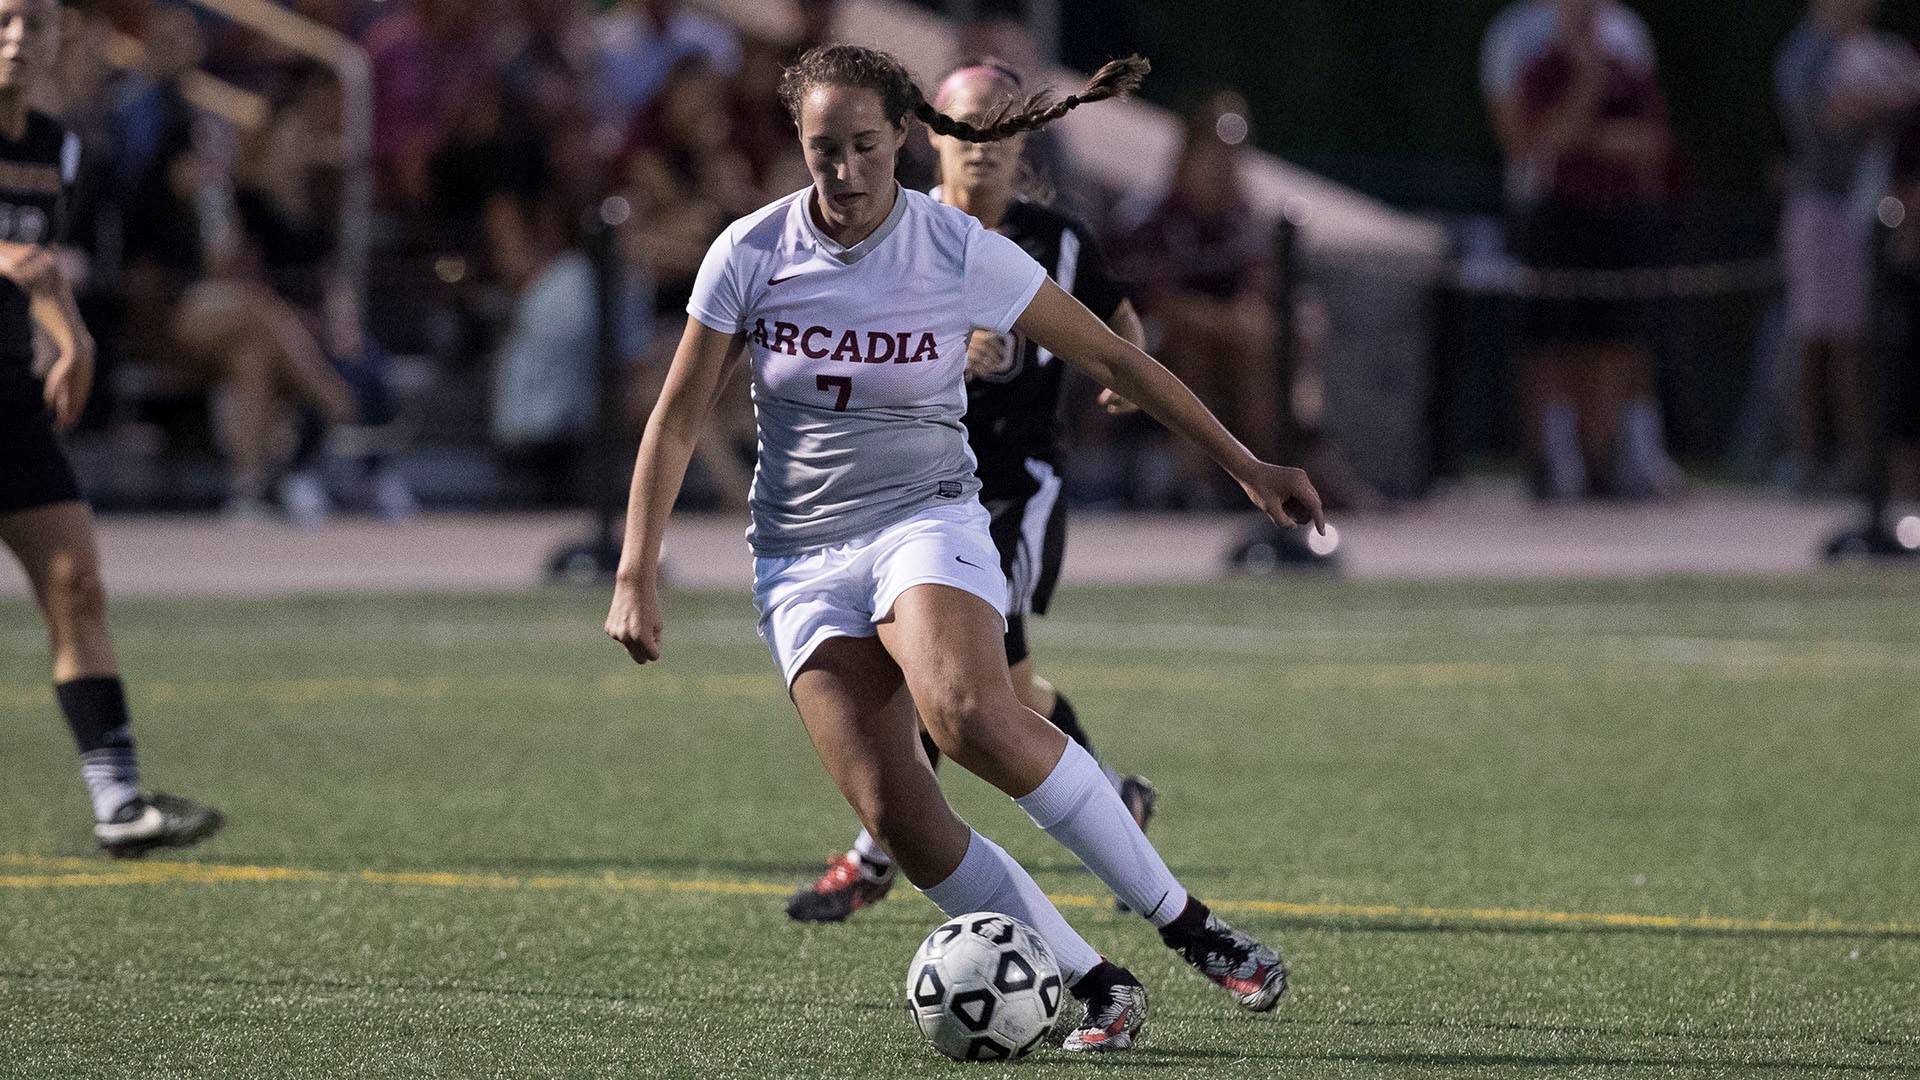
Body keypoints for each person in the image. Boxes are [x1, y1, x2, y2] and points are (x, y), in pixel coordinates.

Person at [604, 44, 1323, 1053]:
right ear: (798, 147)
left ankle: (1191, 928)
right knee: (900, 817)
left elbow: (1114, 355)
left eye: (864, 146)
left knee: (971, 709)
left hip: (927, 515)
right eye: (823, 150)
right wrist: (638, 570)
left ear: (903, 137)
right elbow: (677, 420)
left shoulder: (953, 247)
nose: (845, 170)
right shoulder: (751, 251)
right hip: (801, 557)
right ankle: (1096, 984)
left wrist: (1249, 466)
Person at [783, 59, 1157, 925]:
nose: (980, 146)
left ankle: (876, 856)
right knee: (1005, 694)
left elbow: (1117, 318)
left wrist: (1123, 377)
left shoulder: (1057, 239)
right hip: (914, 494)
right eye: (962, 125)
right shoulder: (899, 234)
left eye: (999, 125)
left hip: (1012, 491)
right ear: (930, 137)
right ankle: (1117, 807)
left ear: (1023, 139)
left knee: (950, 684)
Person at [0, 0, 223, 856]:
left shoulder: (53, 146)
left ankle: (119, 803)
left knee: (76, 584)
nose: (20, 40)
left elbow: (41, 270)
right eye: (6, 22)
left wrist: (72, 341)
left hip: (10, 403)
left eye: (36, 26)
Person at [1487, 0, 1683, 501]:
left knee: (1619, 341)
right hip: (1551, 217)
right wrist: (1586, 85)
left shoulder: (1629, 48)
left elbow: (1651, 142)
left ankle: (1618, 459)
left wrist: (1587, 137)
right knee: (1555, 344)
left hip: (1620, 218)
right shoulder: (1527, 50)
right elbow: (1537, 140)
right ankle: (1556, 462)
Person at [1776, 0, 1920, 494]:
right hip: (1821, 208)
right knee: (1820, 342)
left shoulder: (1877, 48)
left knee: (1857, 342)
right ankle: (1812, 460)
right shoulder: (1803, 54)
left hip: (1867, 210)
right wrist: (1882, 100)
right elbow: (1828, 115)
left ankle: (1862, 464)